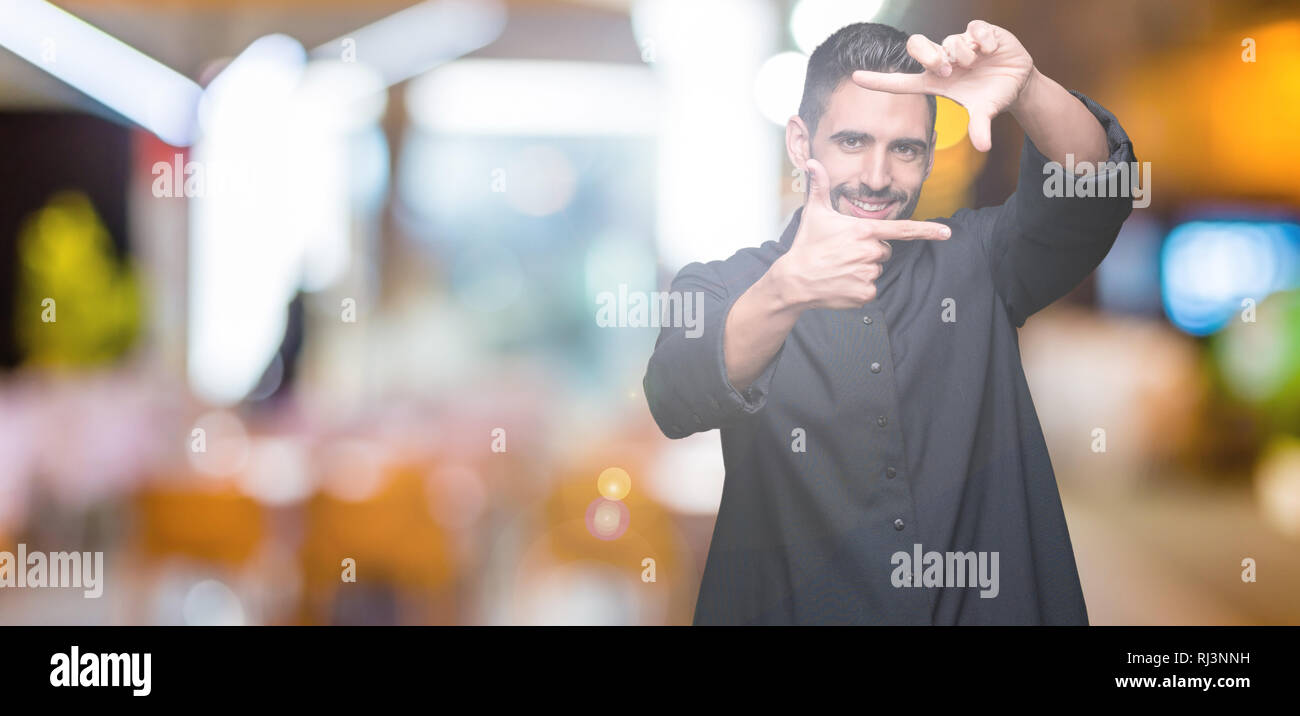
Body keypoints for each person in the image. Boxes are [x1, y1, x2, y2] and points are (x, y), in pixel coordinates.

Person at [642, 20, 1137, 624]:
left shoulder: (979, 260)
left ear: (929, 154)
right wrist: (785, 291)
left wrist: (1028, 87)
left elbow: (1095, 188)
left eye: (905, 149)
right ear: (802, 143)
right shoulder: (725, 284)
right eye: (852, 141)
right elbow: (673, 391)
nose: (877, 177)